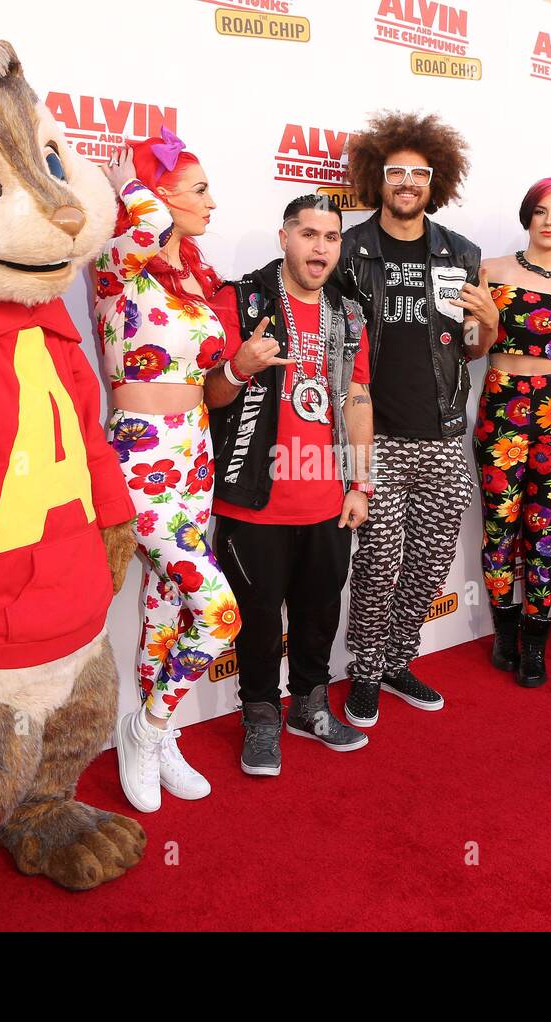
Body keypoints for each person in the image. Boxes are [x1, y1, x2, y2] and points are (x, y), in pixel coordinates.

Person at [334, 110, 497, 728]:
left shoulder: (460, 251)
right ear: (378, 178)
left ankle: (400, 660)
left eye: (419, 174)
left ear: (437, 181)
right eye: (396, 172)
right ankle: (366, 673)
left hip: (444, 437)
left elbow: (474, 346)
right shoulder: (349, 252)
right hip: (377, 437)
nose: (407, 182)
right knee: (376, 564)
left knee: (429, 563)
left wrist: (491, 322)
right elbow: (334, 349)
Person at [96, 131, 241, 813]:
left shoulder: (193, 275)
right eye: (201, 189)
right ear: (158, 198)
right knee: (218, 616)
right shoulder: (117, 267)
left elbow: (212, 371)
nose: (213, 202)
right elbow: (147, 226)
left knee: (165, 605)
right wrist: (130, 181)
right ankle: (144, 728)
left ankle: (161, 730)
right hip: (140, 456)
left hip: (196, 452)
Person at [206, 194, 374, 775]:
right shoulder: (243, 299)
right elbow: (210, 394)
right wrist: (240, 367)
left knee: (318, 614)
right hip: (254, 501)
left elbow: (357, 399)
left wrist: (361, 485)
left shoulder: (349, 314)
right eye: (309, 234)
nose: (321, 247)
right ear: (284, 237)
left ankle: (308, 706)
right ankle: (259, 716)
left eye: (331, 237)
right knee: (256, 623)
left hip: (327, 501)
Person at [472, 178, 551, 686]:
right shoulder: (491, 272)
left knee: (544, 531)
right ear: (528, 217)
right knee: (500, 525)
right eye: (542, 211)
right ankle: (504, 633)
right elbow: (470, 344)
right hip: (502, 408)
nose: (550, 221)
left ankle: (534, 640)